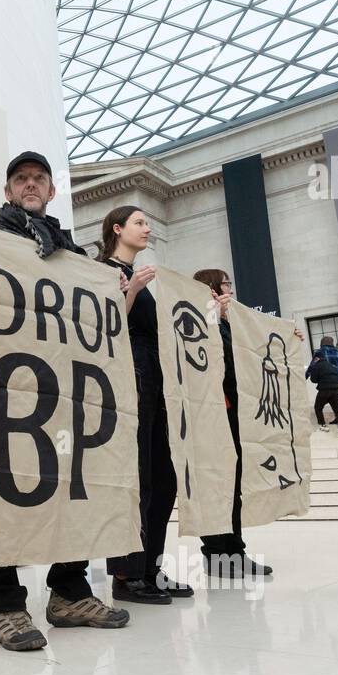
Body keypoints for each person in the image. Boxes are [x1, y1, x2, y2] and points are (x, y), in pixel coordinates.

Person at [0, 152, 130, 651]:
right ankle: (4, 606)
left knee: (73, 485)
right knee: (0, 487)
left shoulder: (74, 256)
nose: (30, 185)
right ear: (7, 191)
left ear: (50, 192)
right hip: (1, 386)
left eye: (39, 180)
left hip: (62, 392)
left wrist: (113, 290)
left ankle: (69, 592)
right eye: (20, 179)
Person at [92, 207, 195, 604]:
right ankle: (125, 573)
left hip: (156, 380)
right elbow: (106, 323)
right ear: (117, 229)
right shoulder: (104, 270)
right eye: (138, 222)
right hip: (128, 377)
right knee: (136, 479)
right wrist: (131, 289)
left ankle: (151, 568)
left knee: (163, 478)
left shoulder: (142, 277)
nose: (147, 227)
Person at [191, 269, 305, 578]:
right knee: (218, 486)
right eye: (224, 284)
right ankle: (217, 553)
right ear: (210, 290)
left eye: (228, 284)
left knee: (234, 485)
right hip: (211, 413)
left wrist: (286, 338)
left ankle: (235, 550)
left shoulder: (231, 325)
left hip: (235, 411)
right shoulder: (201, 320)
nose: (229, 289)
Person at [307, 336, 338, 438]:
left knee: (318, 406)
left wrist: (305, 376)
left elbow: (312, 366)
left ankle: (322, 424)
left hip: (325, 383)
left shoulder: (319, 353)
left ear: (322, 343)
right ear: (332, 343)